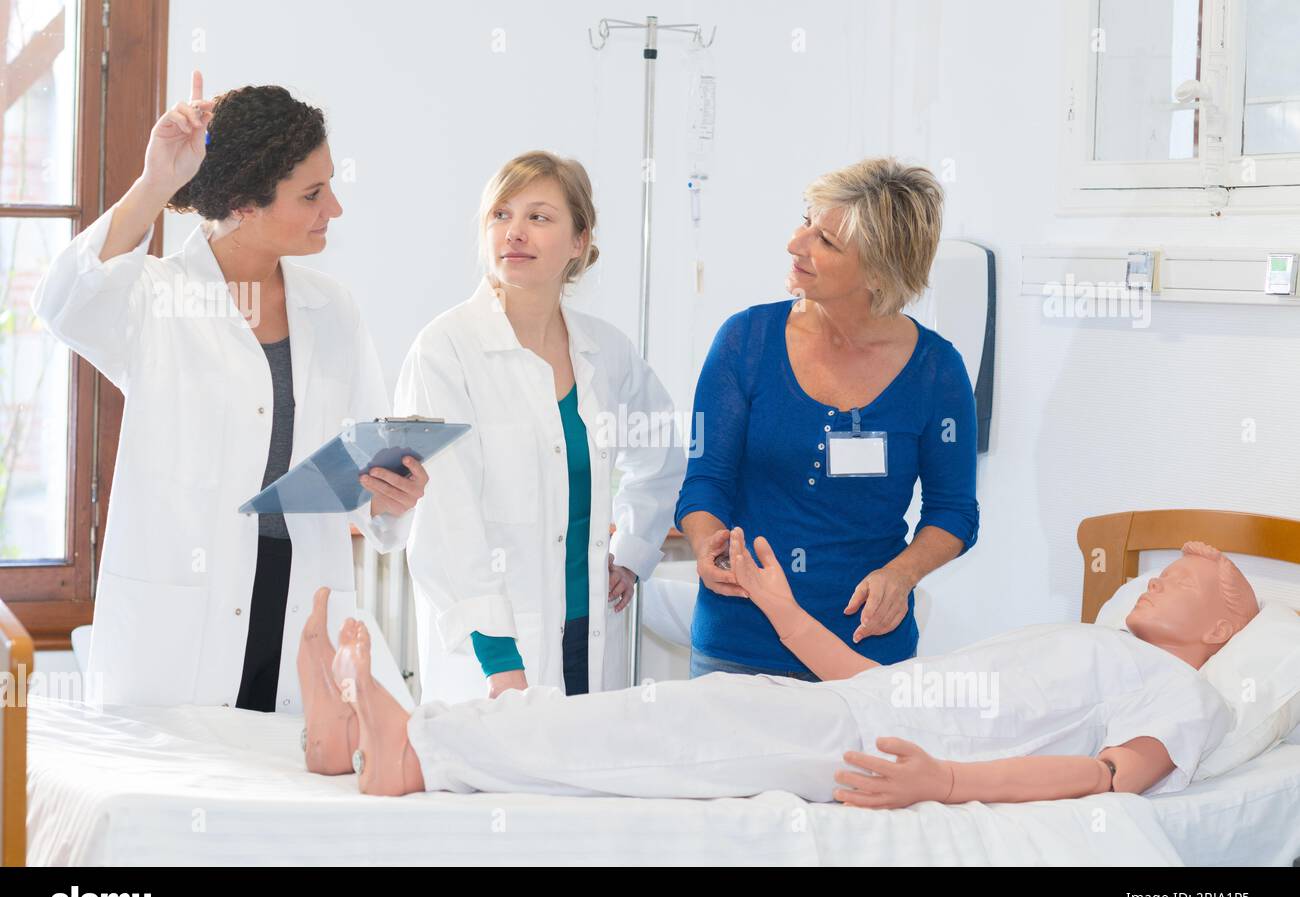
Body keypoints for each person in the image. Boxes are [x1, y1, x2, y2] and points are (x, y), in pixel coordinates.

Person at [297, 537, 1252, 805]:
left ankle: (412, 751)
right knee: (654, 712)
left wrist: (946, 784)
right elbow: (871, 682)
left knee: (657, 736)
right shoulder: (1086, 641)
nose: (1163, 573)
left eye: (1193, 576)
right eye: (1167, 562)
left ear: (1228, 627)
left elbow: (1113, 779)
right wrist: (785, 612)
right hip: (850, 709)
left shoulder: (1181, 693)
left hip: (878, 752)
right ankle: (393, 739)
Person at [32, 72, 424, 711]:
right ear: (245, 205)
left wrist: (392, 498)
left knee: (292, 790)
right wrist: (158, 181)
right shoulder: (157, 298)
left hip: (299, 594)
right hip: (186, 610)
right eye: (313, 193)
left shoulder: (333, 310)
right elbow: (65, 301)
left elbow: (363, 466)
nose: (335, 210)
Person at [393, 151, 685, 703]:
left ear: (579, 241)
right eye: (500, 215)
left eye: (540, 217)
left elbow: (660, 448)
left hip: (592, 629)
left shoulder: (607, 350)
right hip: (496, 647)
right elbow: (446, 516)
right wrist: (499, 659)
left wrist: (637, 547)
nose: (515, 232)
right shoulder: (447, 348)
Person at [675, 157, 979, 680]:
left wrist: (901, 575)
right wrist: (708, 545)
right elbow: (705, 482)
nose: (797, 243)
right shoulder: (745, 341)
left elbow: (954, 513)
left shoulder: (937, 370)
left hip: (863, 646)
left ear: (881, 272)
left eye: (827, 242)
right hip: (738, 639)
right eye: (806, 220)